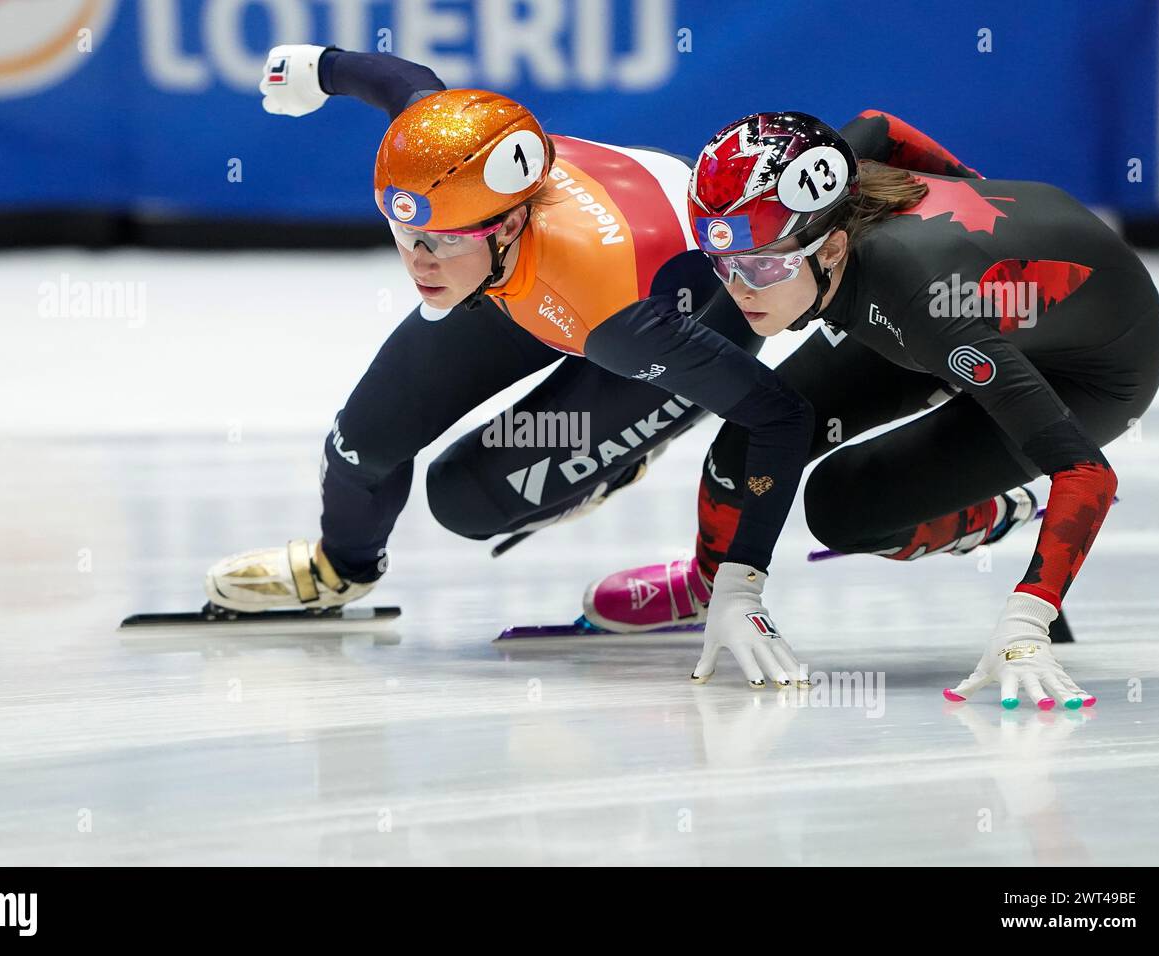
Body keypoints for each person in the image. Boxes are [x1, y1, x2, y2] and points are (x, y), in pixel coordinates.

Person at [204, 45, 816, 688]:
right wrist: (316, 67)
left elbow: (776, 415)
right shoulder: (456, 172)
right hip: (522, 285)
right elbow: (405, 84)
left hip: (663, 314)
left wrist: (739, 584)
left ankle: (641, 493)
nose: (419, 264)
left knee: (464, 501)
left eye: (440, 241)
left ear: (509, 221)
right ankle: (341, 568)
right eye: (403, 234)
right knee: (362, 443)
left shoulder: (621, 322)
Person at [585, 110, 1159, 708]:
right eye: (722, 262)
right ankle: (710, 590)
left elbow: (1086, 474)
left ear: (833, 246)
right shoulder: (828, 185)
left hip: (1090, 369)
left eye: (760, 265)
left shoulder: (928, 304)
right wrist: (740, 583)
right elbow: (880, 126)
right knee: (746, 440)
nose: (739, 289)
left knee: (847, 509)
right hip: (951, 309)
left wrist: (1028, 620)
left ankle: (997, 509)